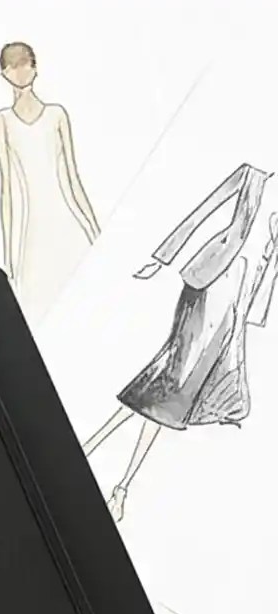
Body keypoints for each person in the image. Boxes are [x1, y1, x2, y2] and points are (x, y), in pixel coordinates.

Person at [83, 164, 278, 521]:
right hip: (208, 285)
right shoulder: (254, 174)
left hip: (237, 303)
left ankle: (114, 477)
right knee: (168, 383)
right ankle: (102, 464)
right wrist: (162, 257)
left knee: (175, 395)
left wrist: (254, 311)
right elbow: (205, 208)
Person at [0, 42, 101, 323]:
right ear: (4, 73)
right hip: (33, 233)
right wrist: (9, 255)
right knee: (44, 309)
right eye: (12, 65)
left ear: (35, 67)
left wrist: (96, 231)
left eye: (25, 63)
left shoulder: (57, 115)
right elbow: (7, 190)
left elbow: (73, 177)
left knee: (86, 299)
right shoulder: (2, 121)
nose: (19, 70)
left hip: (67, 222)